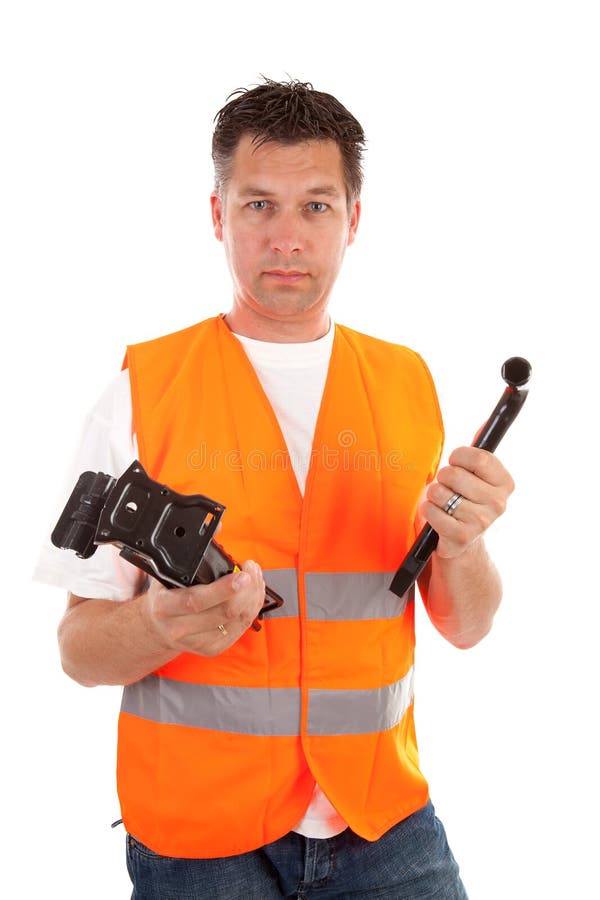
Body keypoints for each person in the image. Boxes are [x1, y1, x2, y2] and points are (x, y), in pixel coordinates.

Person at [36, 78, 515, 899]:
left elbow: (465, 626)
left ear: (354, 220)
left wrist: (463, 543)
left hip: (384, 824)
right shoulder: (142, 387)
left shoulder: (408, 383)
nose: (287, 238)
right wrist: (160, 622)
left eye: (316, 207)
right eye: (259, 205)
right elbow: (77, 653)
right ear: (219, 216)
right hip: (198, 841)